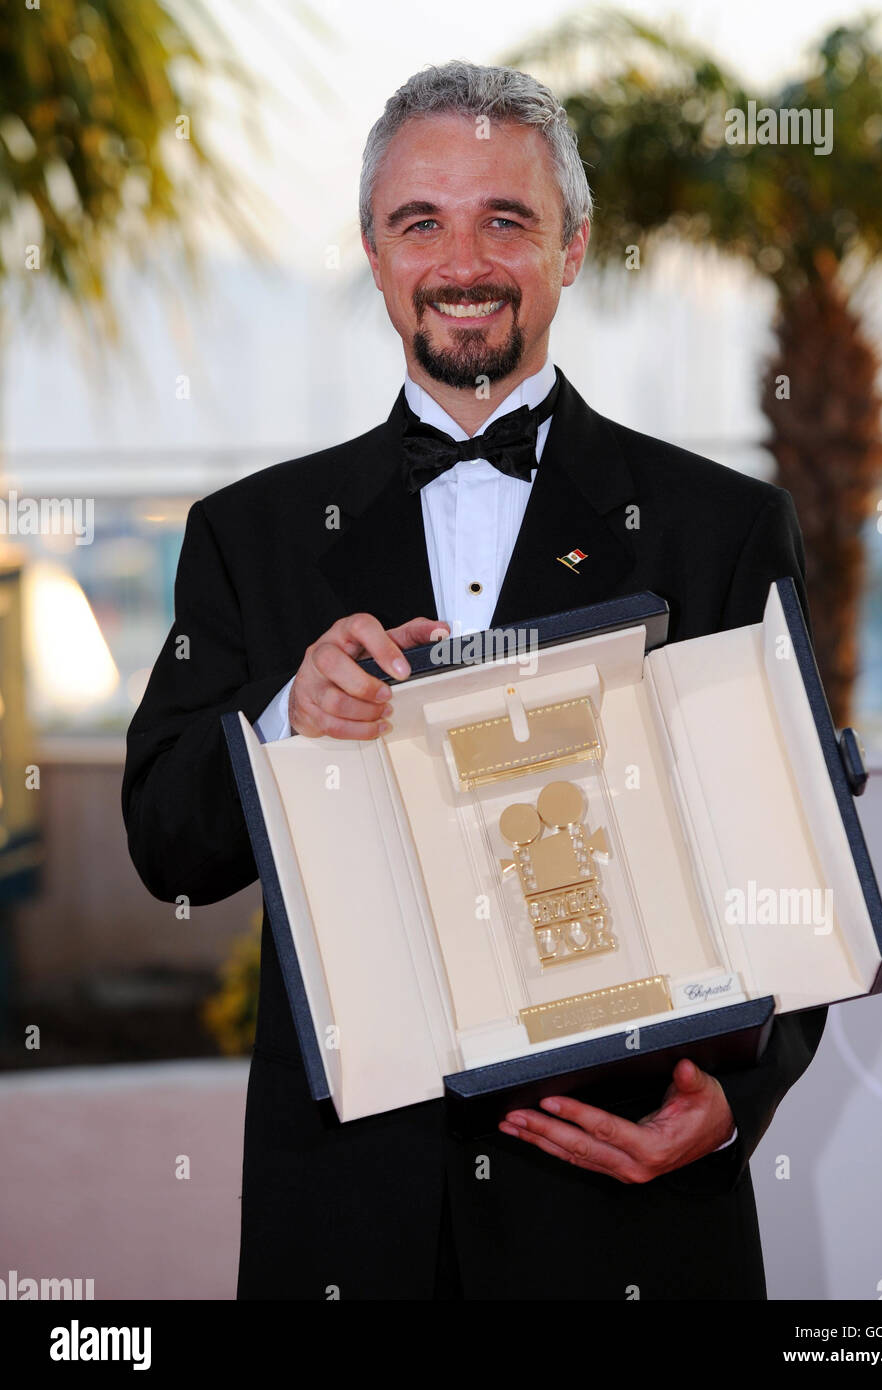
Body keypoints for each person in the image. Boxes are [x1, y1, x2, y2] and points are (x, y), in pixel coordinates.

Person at [122, 60, 827, 1301]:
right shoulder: (251, 533)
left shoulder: (722, 528)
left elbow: (795, 863)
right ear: (373, 253)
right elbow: (170, 845)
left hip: (623, 1205)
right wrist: (287, 716)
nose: (463, 261)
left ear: (571, 248)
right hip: (345, 1214)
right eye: (420, 223)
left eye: (506, 219)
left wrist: (729, 1105)